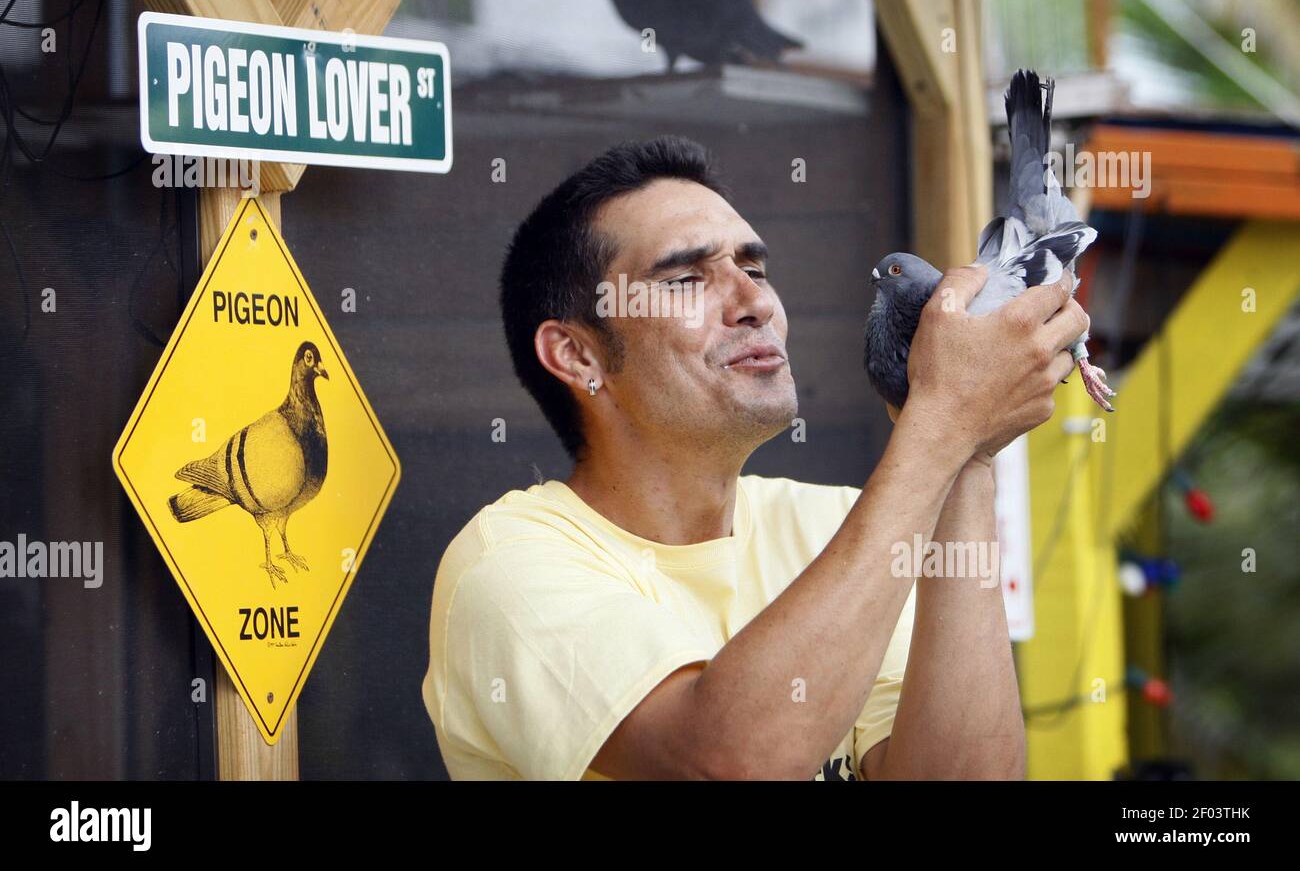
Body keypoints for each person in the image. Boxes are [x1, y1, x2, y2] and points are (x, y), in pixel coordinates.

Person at [421, 135, 1088, 780]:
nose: (756, 303)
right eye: (685, 278)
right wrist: (943, 419)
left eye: (755, 269)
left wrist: (969, 450)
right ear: (577, 355)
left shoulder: (839, 524)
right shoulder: (508, 566)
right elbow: (732, 763)